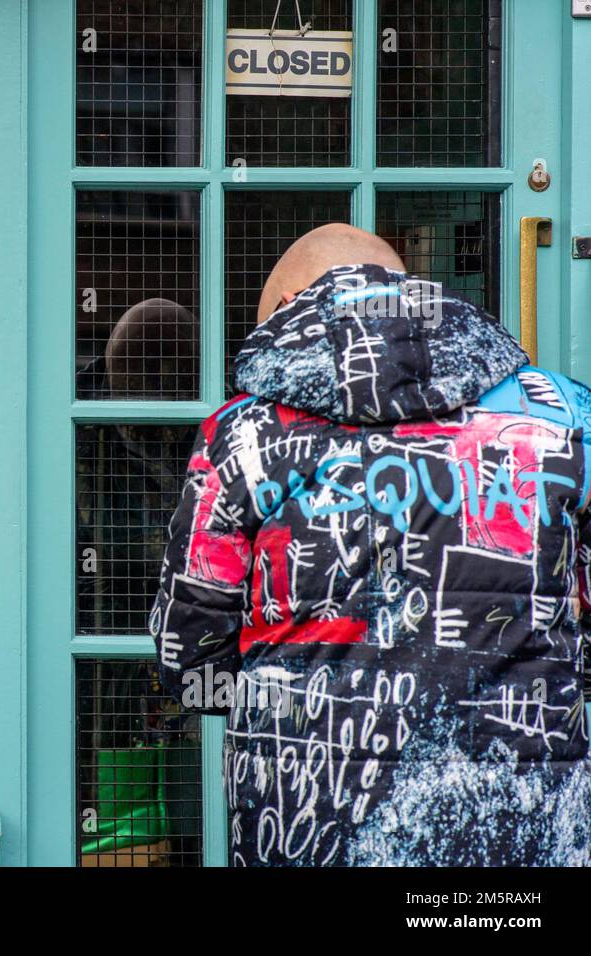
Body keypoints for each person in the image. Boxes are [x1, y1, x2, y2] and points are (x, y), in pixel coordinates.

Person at [151, 223, 591, 866]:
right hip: (523, 830)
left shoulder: (239, 436)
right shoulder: (565, 417)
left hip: (307, 826)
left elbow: (189, 661)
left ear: (292, 311)